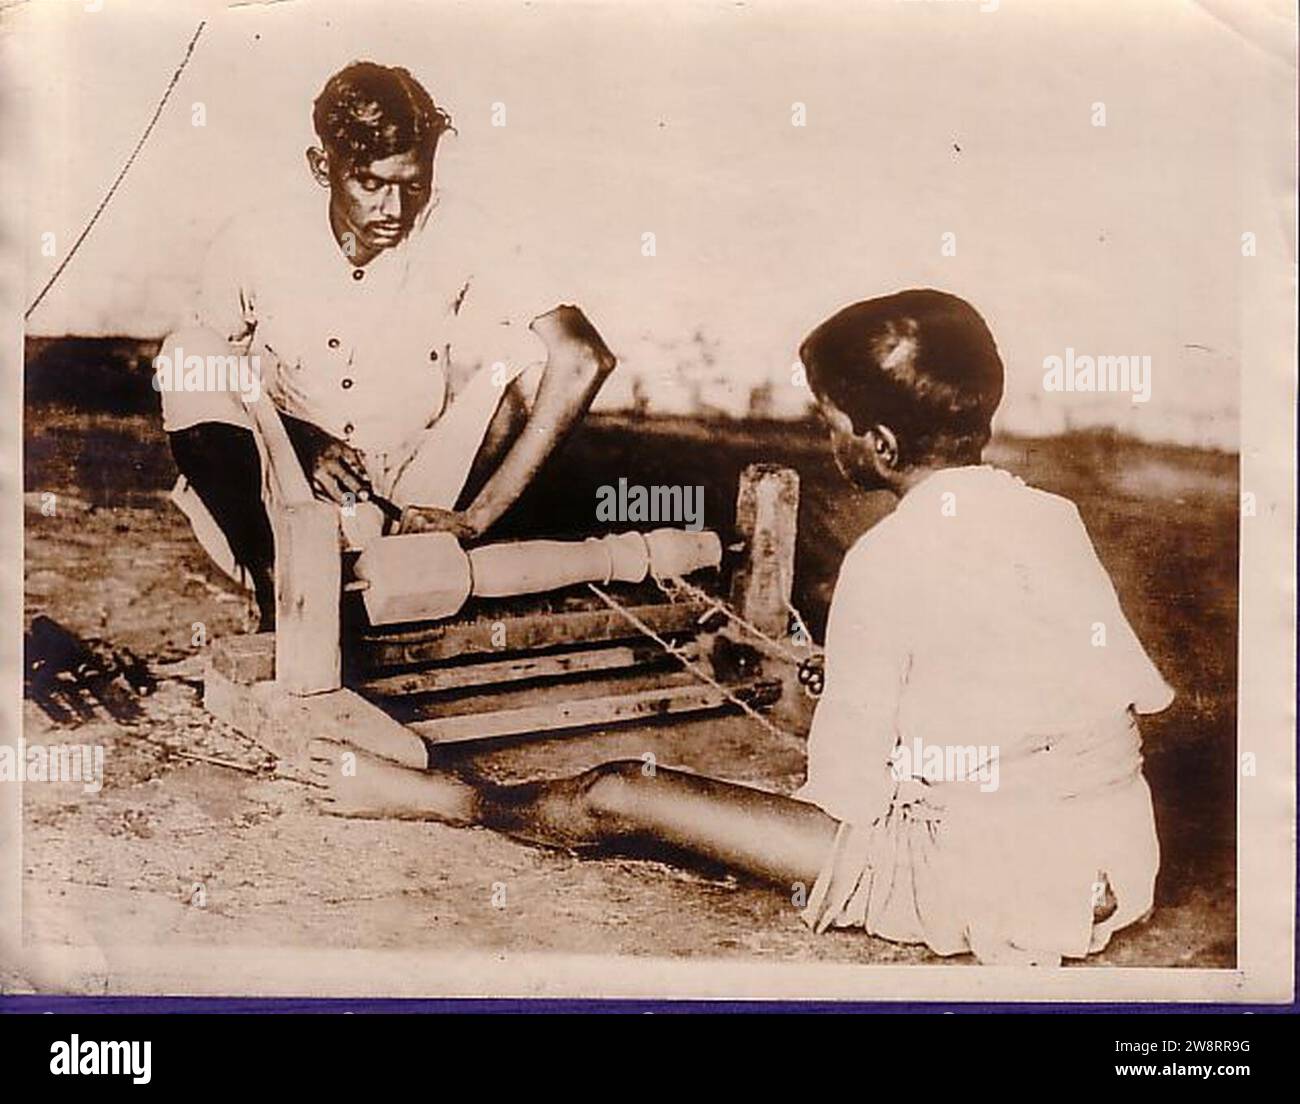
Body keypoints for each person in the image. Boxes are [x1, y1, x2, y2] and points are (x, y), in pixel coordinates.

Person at [308, 289, 1174, 966]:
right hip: (1114, 859)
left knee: (623, 791)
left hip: (991, 882)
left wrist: (818, 730)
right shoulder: (1054, 517)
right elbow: (1104, 695)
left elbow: (845, 801)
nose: (819, 432)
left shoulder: (888, 558)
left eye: (828, 420)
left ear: (874, 443)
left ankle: (441, 797)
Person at [159, 61, 615, 628]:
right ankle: (279, 594)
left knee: (532, 354)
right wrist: (302, 443)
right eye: (370, 184)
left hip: (414, 498)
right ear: (322, 166)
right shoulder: (255, 239)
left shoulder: (460, 227)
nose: (394, 211)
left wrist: (476, 517)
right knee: (187, 357)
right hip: (290, 497)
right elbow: (204, 385)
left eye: (413, 186)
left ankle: (435, 558)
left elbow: (582, 358)